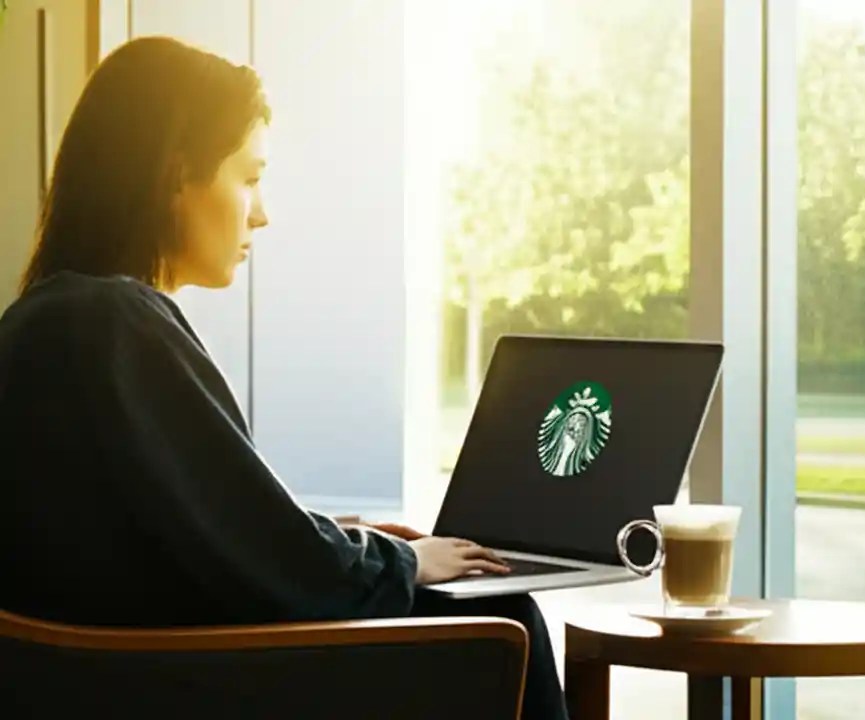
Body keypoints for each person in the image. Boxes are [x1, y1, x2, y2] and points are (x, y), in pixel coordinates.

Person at [0, 36, 569, 720]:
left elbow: (203, 530)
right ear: (175, 176)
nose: (261, 212)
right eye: (249, 177)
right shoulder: (114, 322)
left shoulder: (45, 319)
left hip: (105, 681)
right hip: (172, 686)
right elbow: (262, 551)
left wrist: (356, 540)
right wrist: (405, 564)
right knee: (505, 616)